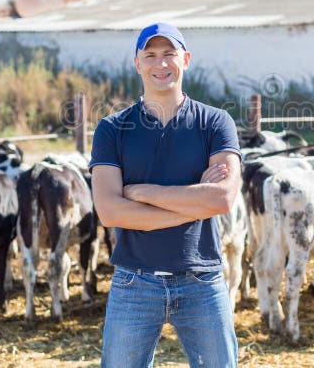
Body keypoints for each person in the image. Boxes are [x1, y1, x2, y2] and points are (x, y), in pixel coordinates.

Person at [90, 22, 241, 368]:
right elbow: (111, 212)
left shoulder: (215, 123)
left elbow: (221, 200)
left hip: (202, 280)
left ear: (185, 59)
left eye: (169, 54)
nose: (161, 64)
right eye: (151, 55)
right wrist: (194, 204)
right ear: (137, 63)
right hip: (134, 281)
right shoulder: (112, 129)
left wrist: (143, 192)